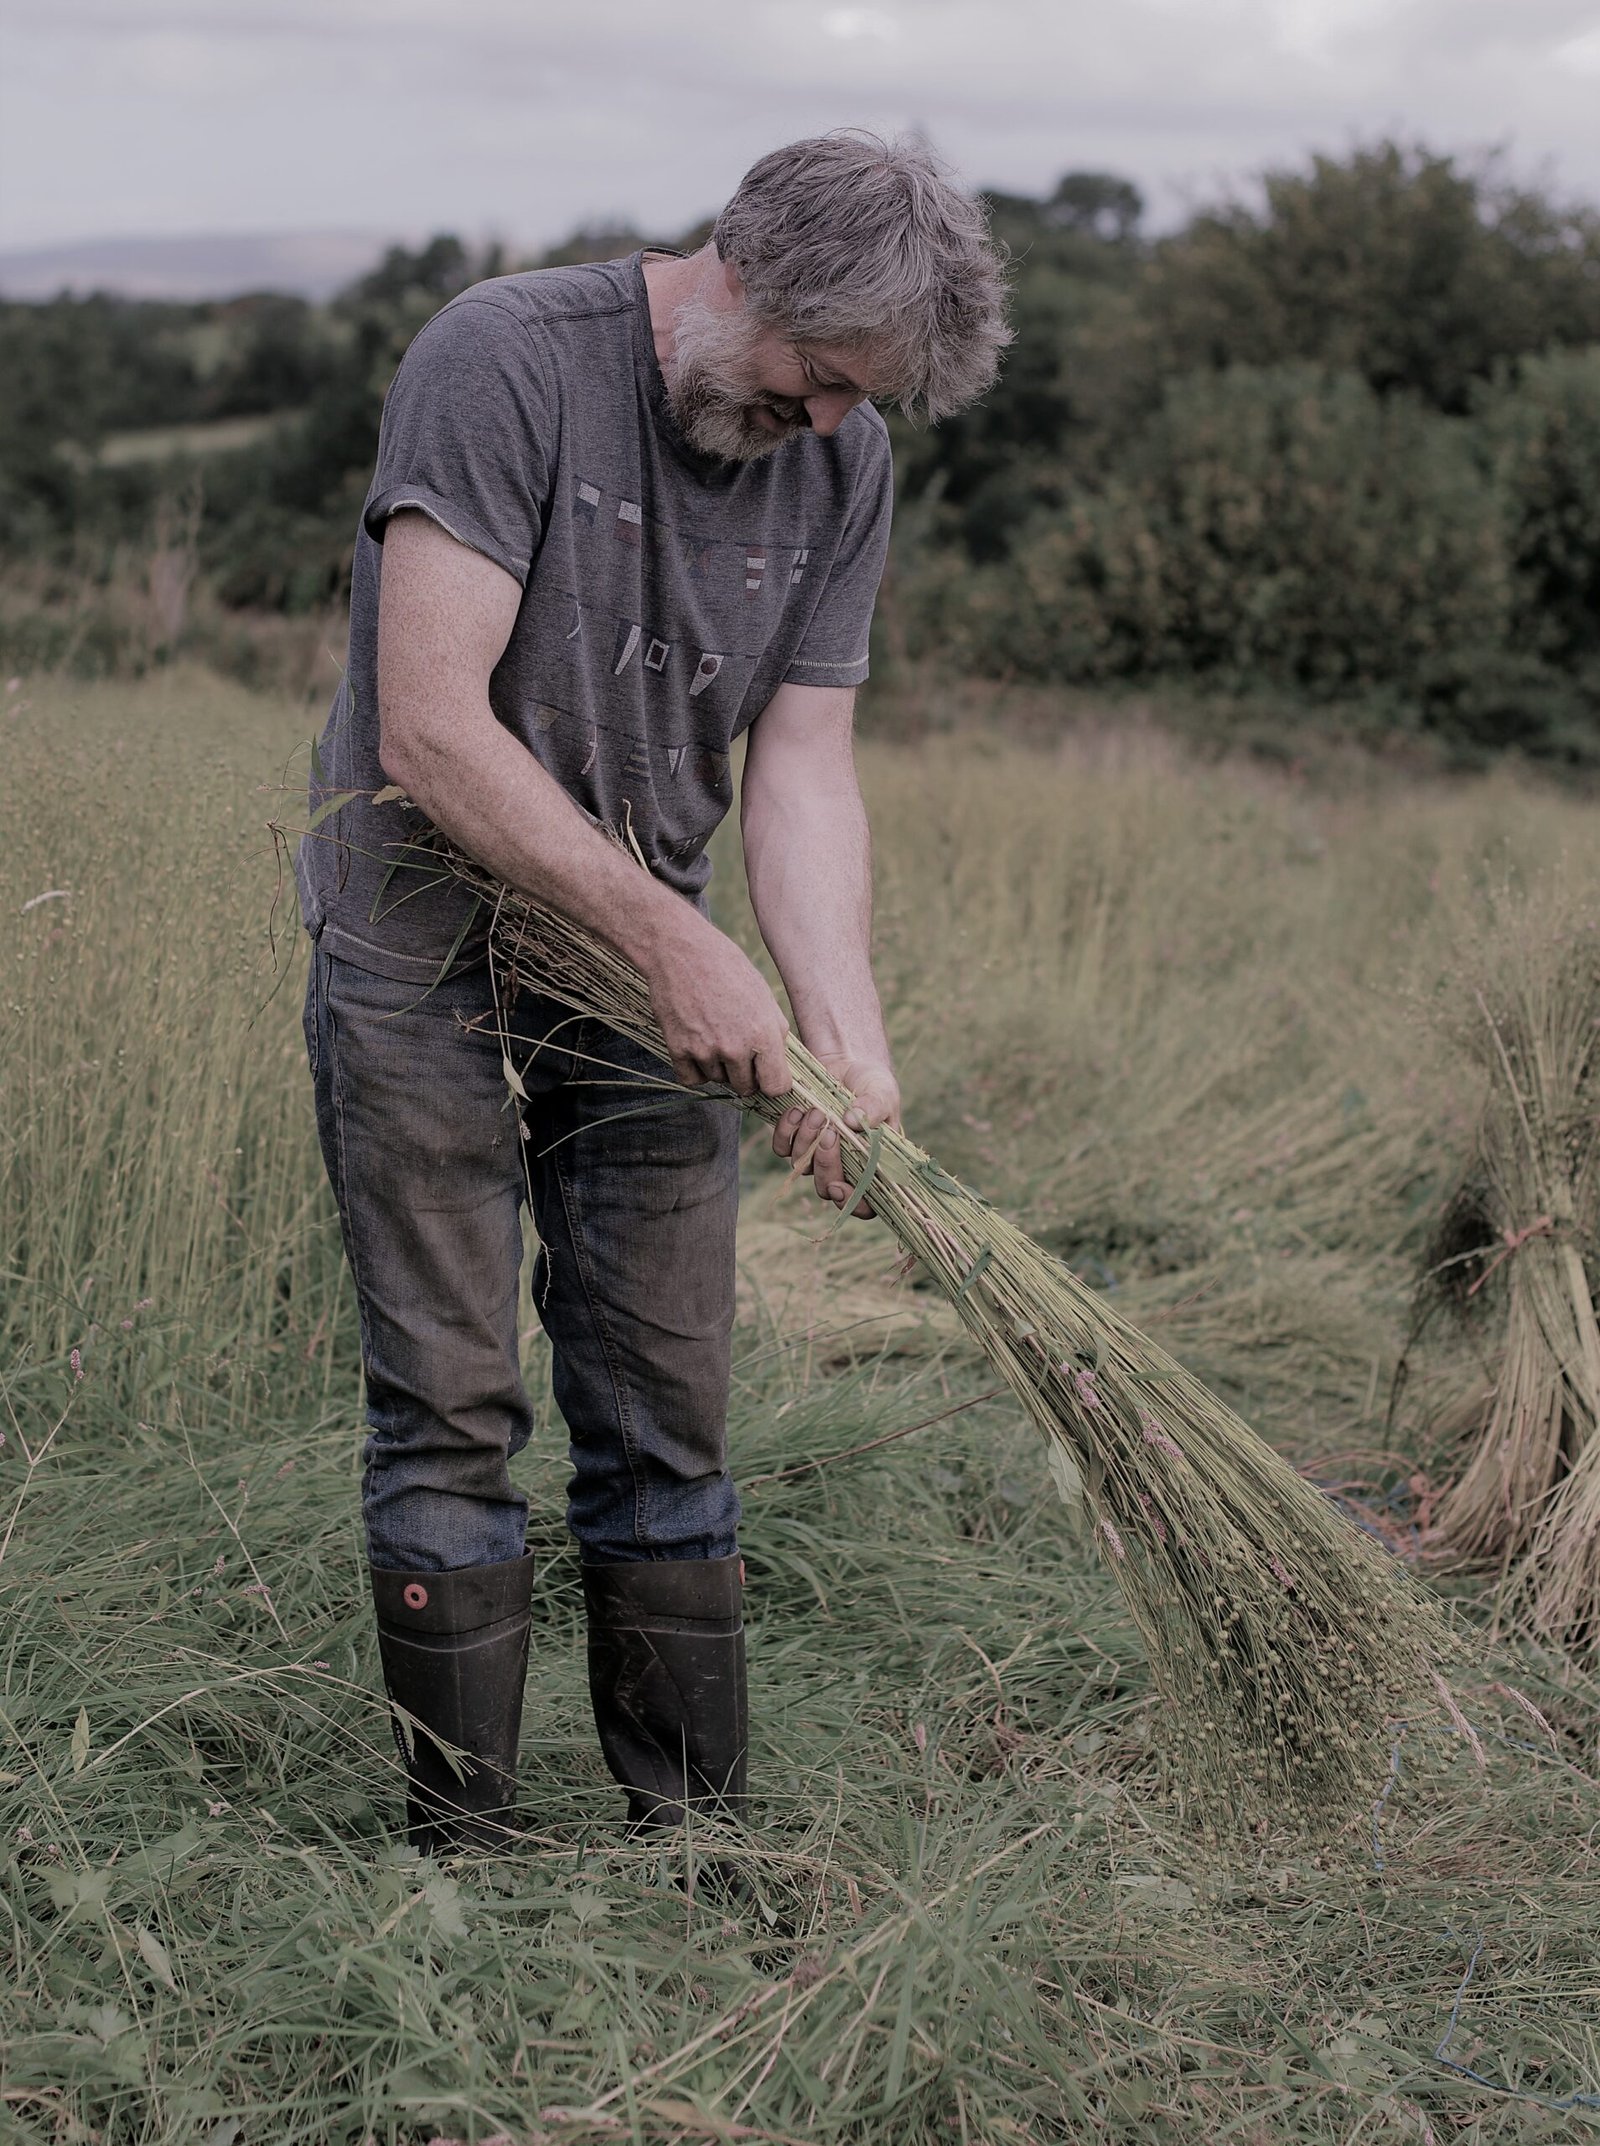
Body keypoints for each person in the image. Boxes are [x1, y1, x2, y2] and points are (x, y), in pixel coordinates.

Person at [296, 130, 1009, 1851]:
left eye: (865, 401)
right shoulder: (504, 361)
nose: (829, 425)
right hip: (421, 957)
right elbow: (429, 725)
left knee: (667, 1412)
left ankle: (689, 1839)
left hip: (644, 983)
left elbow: (804, 773)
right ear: (737, 269)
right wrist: (684, 942)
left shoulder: (850, 461)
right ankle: (462, 1862)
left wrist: (842, 1029)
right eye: (816, 380)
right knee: (454, 1406)